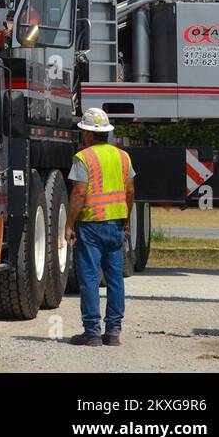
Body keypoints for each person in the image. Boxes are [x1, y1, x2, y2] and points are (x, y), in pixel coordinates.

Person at [66, 107, 135, 347]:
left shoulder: (83, 157)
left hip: (90, 226)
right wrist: (126, 220)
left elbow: (79, 193)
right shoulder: (123, 157)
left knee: (90, 278)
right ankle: (113, 332)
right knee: (115, 279)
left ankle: (92, 332)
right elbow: (130, 191)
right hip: (115, 224)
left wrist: (69, 224)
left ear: (88, 133)